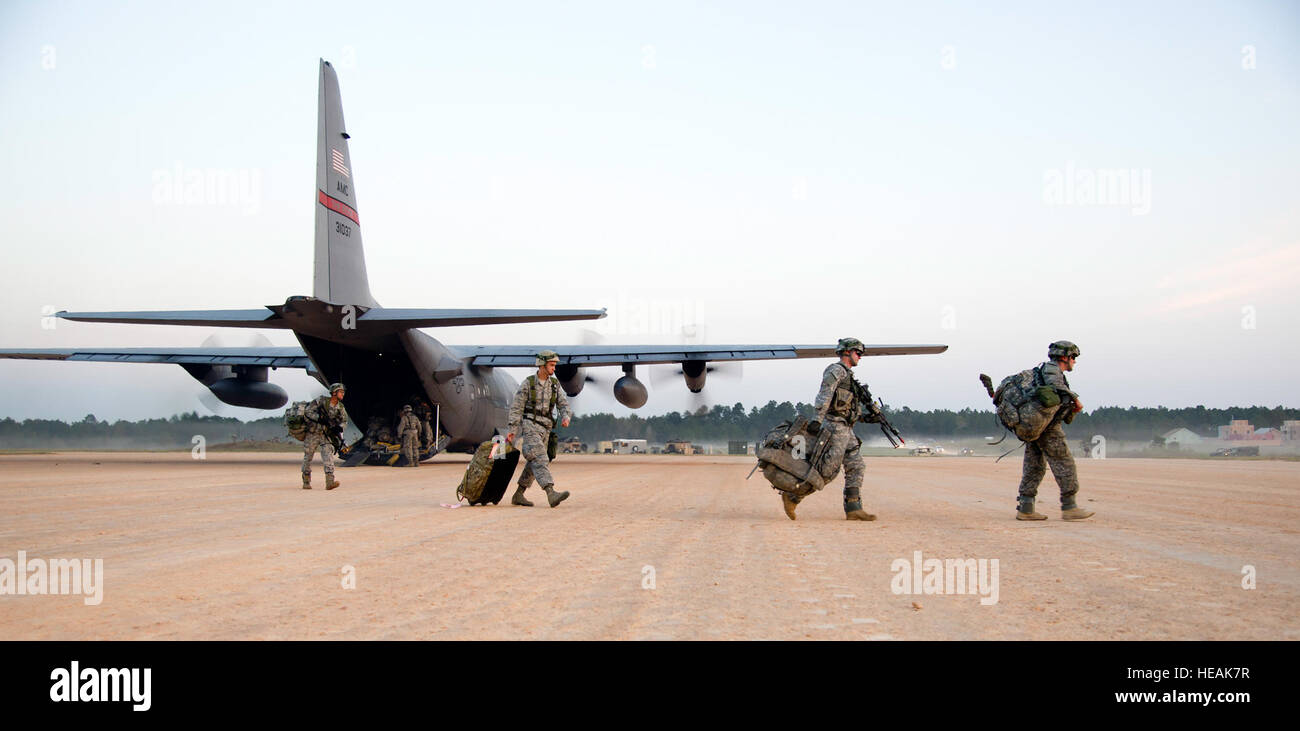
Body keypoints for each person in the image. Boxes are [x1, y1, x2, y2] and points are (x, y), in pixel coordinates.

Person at [782, 337, 877, 522]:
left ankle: (854, 508)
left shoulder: (849, 377)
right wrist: (817, 419)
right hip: (834, 426)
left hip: (845, 428)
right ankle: (793, 497)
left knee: (857, 466)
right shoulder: (835, 371)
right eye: (858, 353)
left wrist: (865, 418)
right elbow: (824, 395)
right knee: (828, 470)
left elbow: (846, 407)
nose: (860, 357)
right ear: (847, 352)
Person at [1017, 341, 1095, 521]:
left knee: (1034, 466)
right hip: (1048, 427)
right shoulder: (1052, 370)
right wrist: (1075, 399)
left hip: (1038, 426)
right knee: (1064, 462)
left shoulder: (1045, 370)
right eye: (1073, 357)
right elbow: (1055, 386)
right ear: (1064, 357)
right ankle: (1070, 507)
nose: (1074, 361)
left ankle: (1026, 507)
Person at [505, 350, 572, 508]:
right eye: (551, 365)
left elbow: (564, 404)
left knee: (534, 462)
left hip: (546, 428)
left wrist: (566, 416)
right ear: (541, 365)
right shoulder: (528, 383)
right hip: (530, 426)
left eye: (554, 365)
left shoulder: (554, 385)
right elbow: (516, 407)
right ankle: (551, 492)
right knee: (540, 458)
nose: (554, 368)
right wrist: (513, 430)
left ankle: (519, 494)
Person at [302, 383, 347, 490]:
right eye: (341, 392)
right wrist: (319, 418)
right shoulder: (321, 401)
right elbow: (308, 411)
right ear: (334, 393)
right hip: (313, 433)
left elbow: (344, 421)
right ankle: (306, 480)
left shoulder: (340, 407)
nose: (343, 394)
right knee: (308, 457)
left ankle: (330, 482)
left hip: (326, 435)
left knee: (328, 456)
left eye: (343, 392)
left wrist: (339, 428)